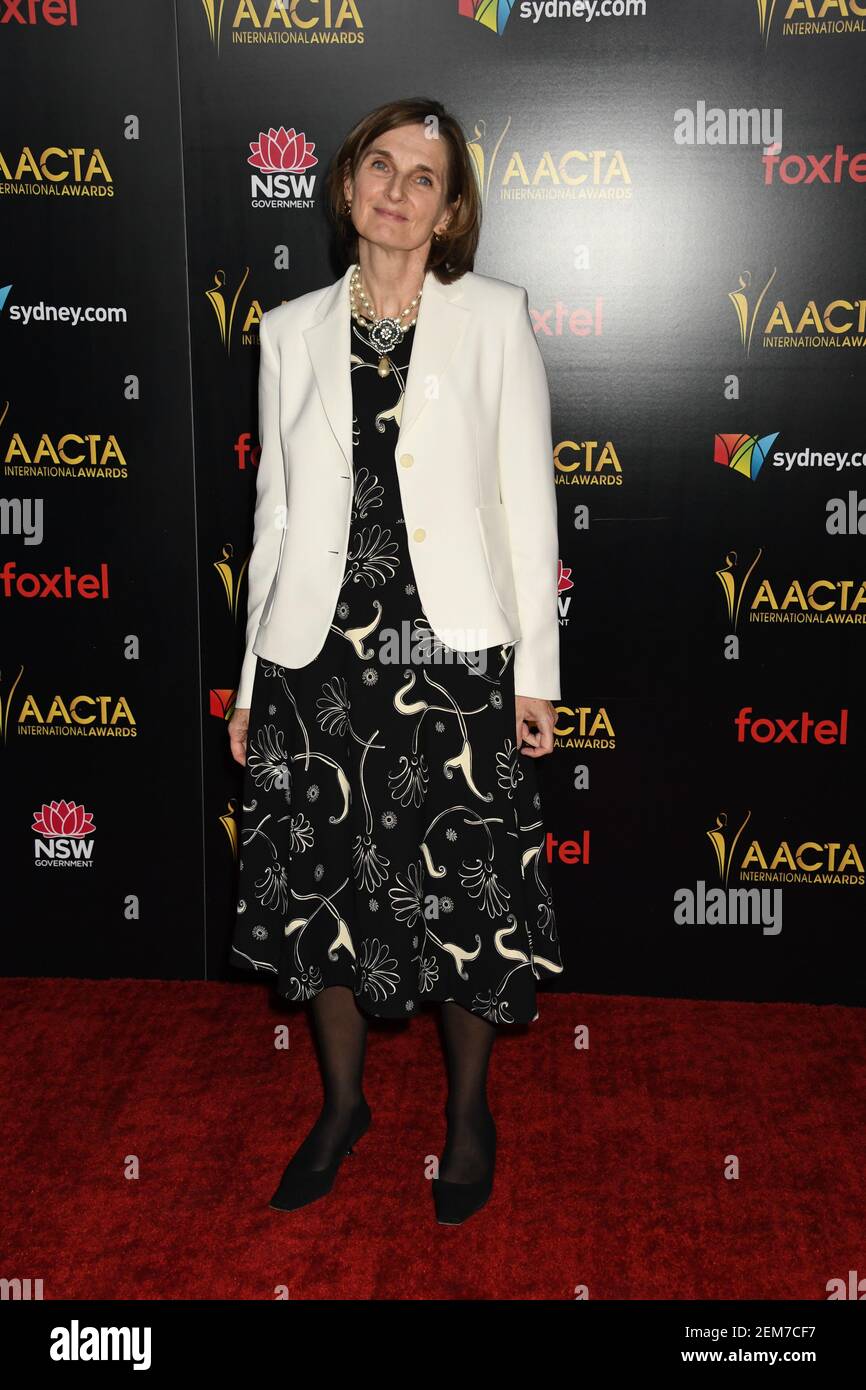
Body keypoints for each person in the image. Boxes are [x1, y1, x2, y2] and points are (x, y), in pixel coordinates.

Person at [227, 96, 563, 1226]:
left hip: (454, 658)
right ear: (346, 184)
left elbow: (527, 504)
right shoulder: (286, 331)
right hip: (315, 661)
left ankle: (467, 1114)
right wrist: (248, 677)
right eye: (382, 164)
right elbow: (271, 518)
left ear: (450, 208)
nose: (398, 189)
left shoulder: (495, 318)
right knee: (318, 896)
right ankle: (341, 1105)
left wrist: (536, 676)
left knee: (466, 899)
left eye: (425, 177)